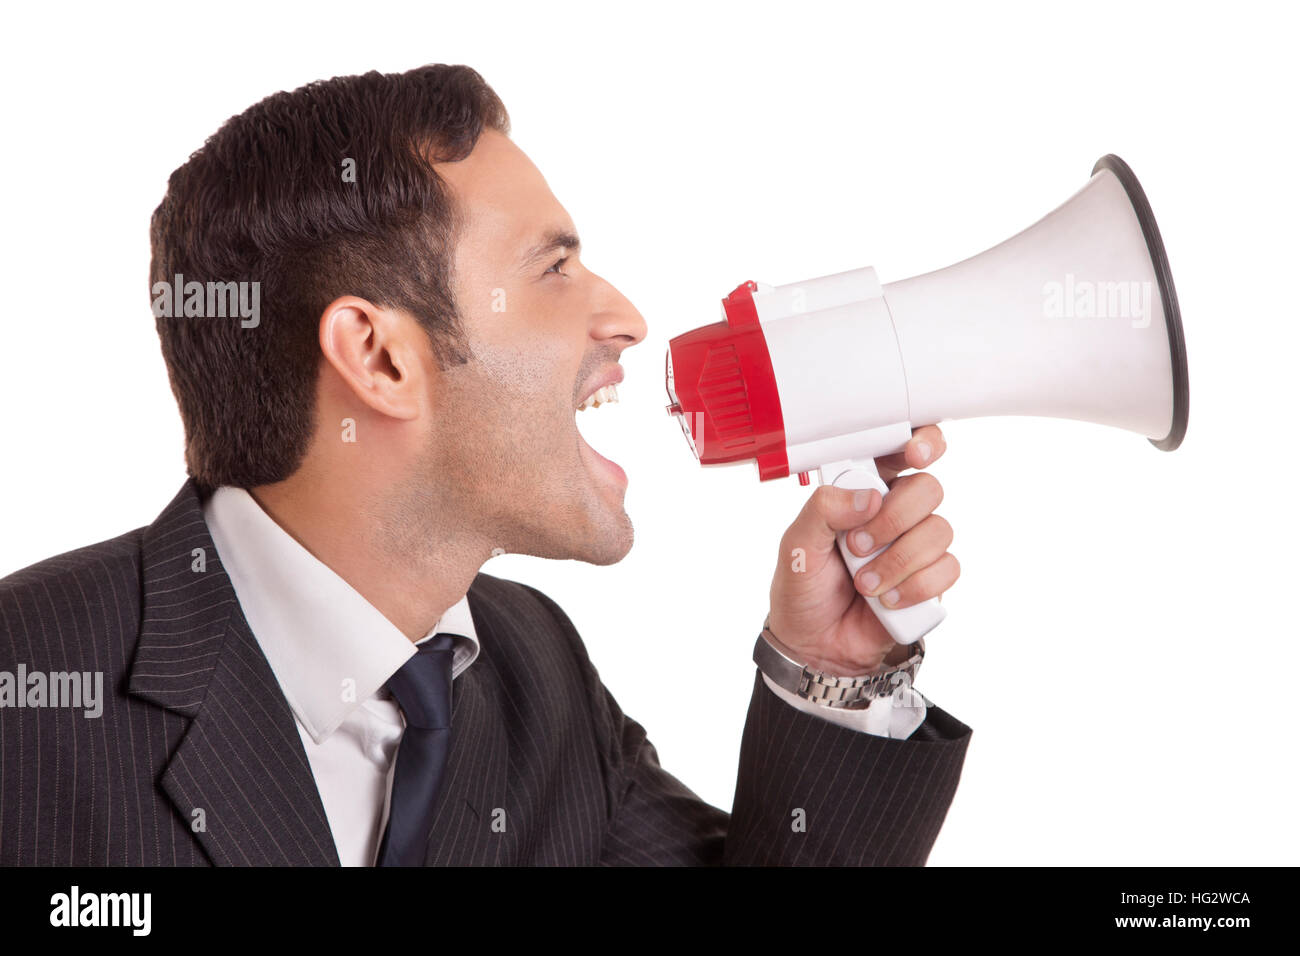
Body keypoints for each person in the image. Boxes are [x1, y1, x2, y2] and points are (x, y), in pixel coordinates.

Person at [0, 64, 970, 866]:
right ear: (380, 358)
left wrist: (832, 675)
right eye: (553, 268)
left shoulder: (532, 670)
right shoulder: (29, 688)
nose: (626, 316)